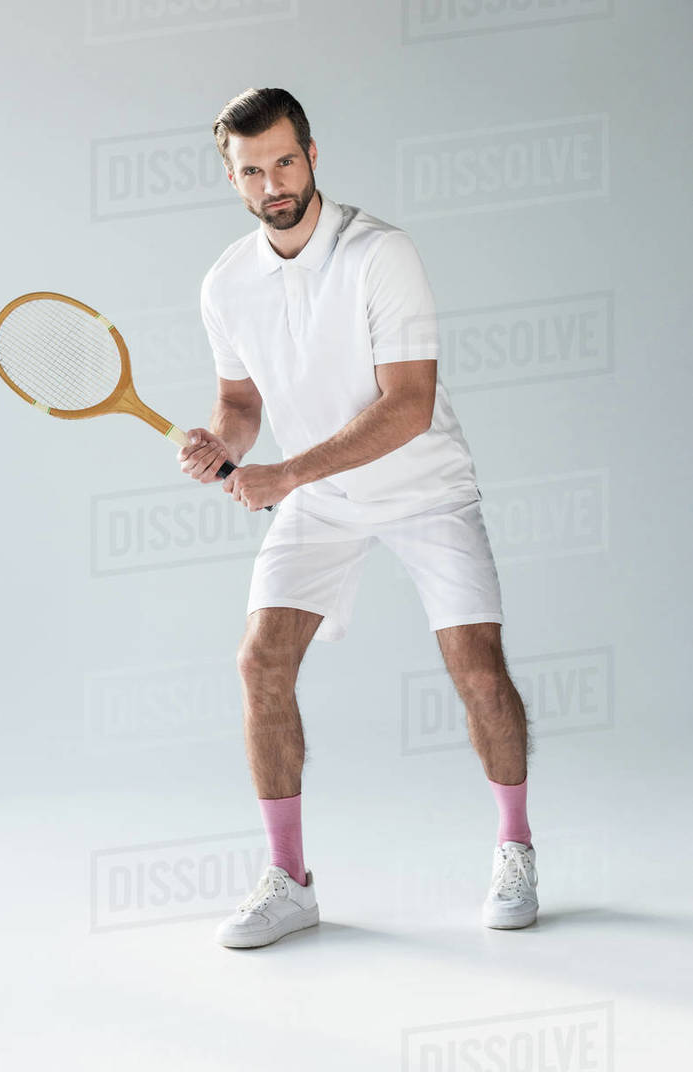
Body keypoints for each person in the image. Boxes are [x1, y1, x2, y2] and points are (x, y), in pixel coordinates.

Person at [178, 87, 538, 948]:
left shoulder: (381, 254)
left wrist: (283, 474)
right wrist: (223, 444)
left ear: (311, 155)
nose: (273, 184)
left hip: (424, 489)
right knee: (260, 660)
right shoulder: (226, 283)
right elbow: (241, 403)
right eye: (252, 171)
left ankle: (515, 847)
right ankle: (289, 879)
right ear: (232, 179)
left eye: (284, 162)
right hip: (322, 500)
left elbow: (407, 405)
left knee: (479, 670)